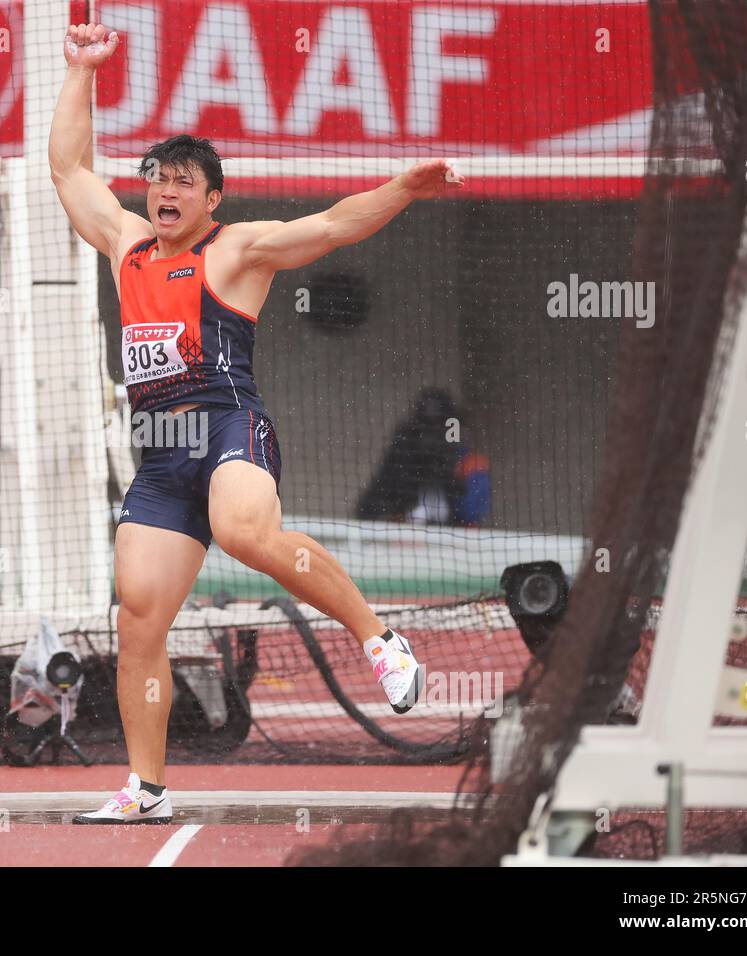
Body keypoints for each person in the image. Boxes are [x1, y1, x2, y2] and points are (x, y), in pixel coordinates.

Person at [50, 23, 462, 824]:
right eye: (156, 179)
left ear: (212, 198)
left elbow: (335, 226)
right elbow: (67, 168)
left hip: (230, 429)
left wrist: (404, 188)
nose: (164, 191)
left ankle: (380, 640)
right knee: (138, 616)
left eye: (182, 182)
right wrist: (82, 71)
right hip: (161, 460)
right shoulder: (126, 244)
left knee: (243, 531)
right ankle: (146, 791)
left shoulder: (237, 250)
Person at [355, 388, 491, 527]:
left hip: (455, 536)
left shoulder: (467, 461)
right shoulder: (403, 453)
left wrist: (449, 476)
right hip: (409, 534)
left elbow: (471, 512)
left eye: (440, 426)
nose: (432, 435)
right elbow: (369, 507)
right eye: (427, 426)